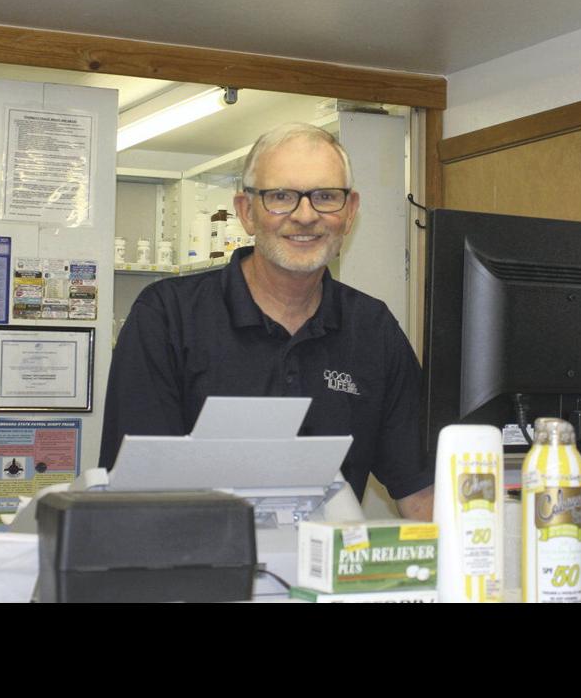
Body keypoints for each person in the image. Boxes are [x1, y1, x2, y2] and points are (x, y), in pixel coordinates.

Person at [98, 122, 434, 520]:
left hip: (326, 575)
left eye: (326, 196)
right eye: (281, 196)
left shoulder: (373, 328)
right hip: (197, 572)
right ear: (246, 212)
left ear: (350, 212)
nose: (305, 215)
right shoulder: (168, 317)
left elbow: (420, 493)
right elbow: (132, 490)